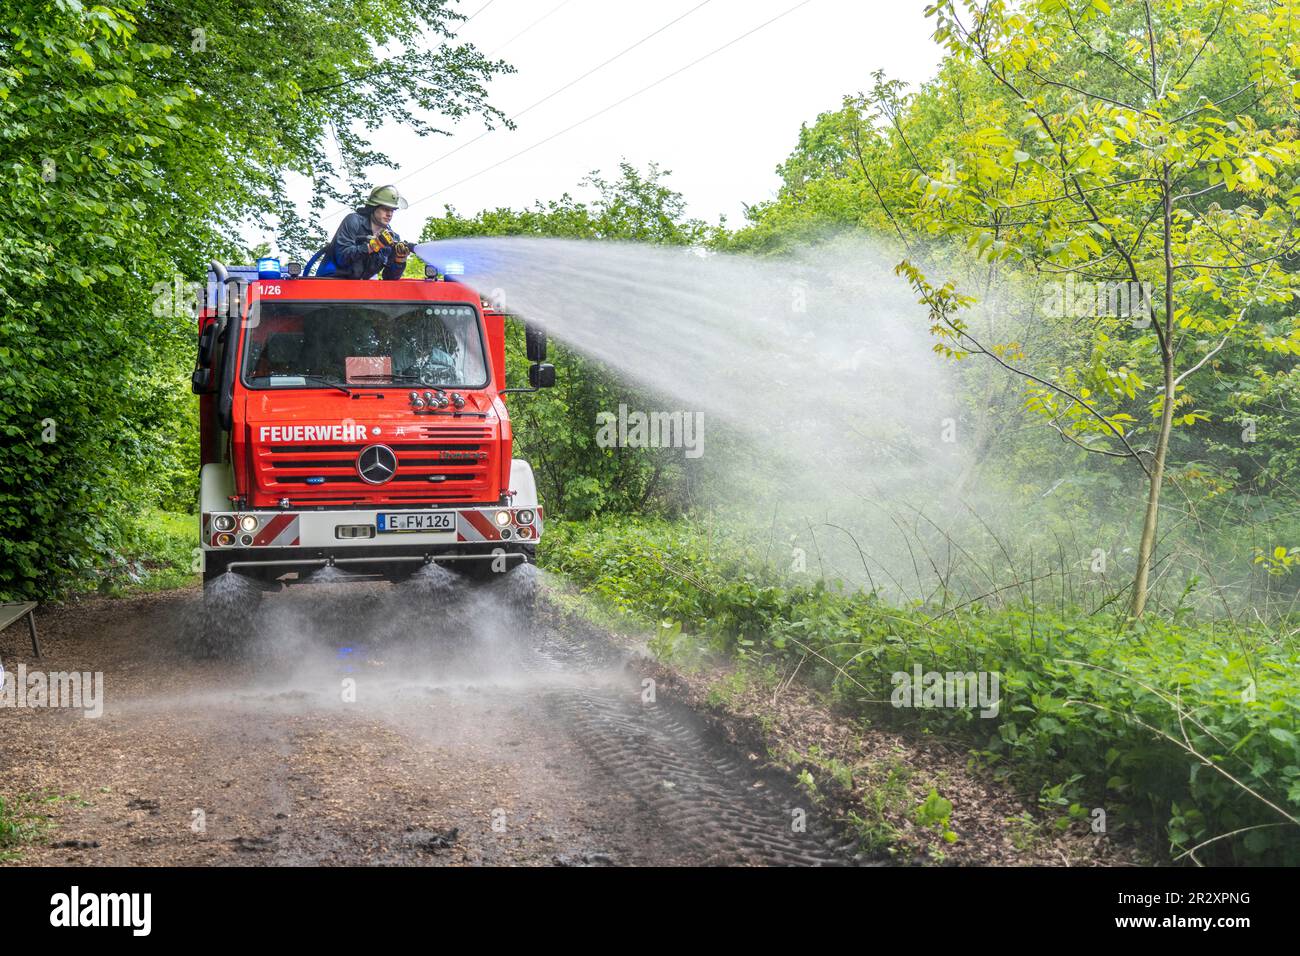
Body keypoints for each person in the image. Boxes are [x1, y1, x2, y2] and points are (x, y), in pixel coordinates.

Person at [319, 185, 412, 279]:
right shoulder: (353, 221)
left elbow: (389, 278)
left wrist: (400, 260)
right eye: (385, 209)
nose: (389, 214)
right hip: (330, 283)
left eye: (392, 210)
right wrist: (374, 245)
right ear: (373, 207)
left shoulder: (392, 238)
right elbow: (342, 258)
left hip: (359, 289)